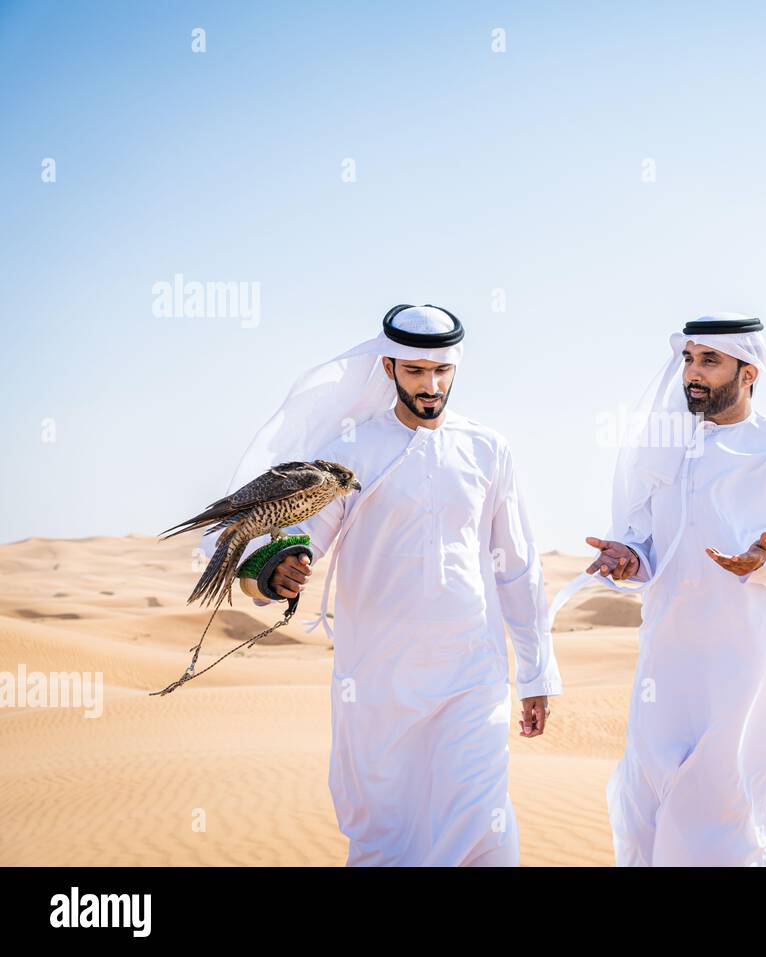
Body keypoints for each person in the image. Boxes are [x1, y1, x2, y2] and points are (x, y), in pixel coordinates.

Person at [221, 303, 562, 866]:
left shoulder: (487, 449)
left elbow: (518, 567)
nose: (430, 386)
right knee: (386, 833)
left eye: (441, 372)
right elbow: (293, 543)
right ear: (388, 368)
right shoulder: (348, 452)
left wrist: (536, 672)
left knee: (481, 823)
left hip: (471, 676)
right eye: (415, 372)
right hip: (378, 681)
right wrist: (276, 571)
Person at [552, 313, 766, 866]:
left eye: (709, 360)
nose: (693, 373)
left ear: (748, 371)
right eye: (689, 359)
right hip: (665, 668)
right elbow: (654, 551)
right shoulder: (668, 452)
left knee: (724, 824)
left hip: (746, 671)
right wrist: (629, 559)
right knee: (645, 817)